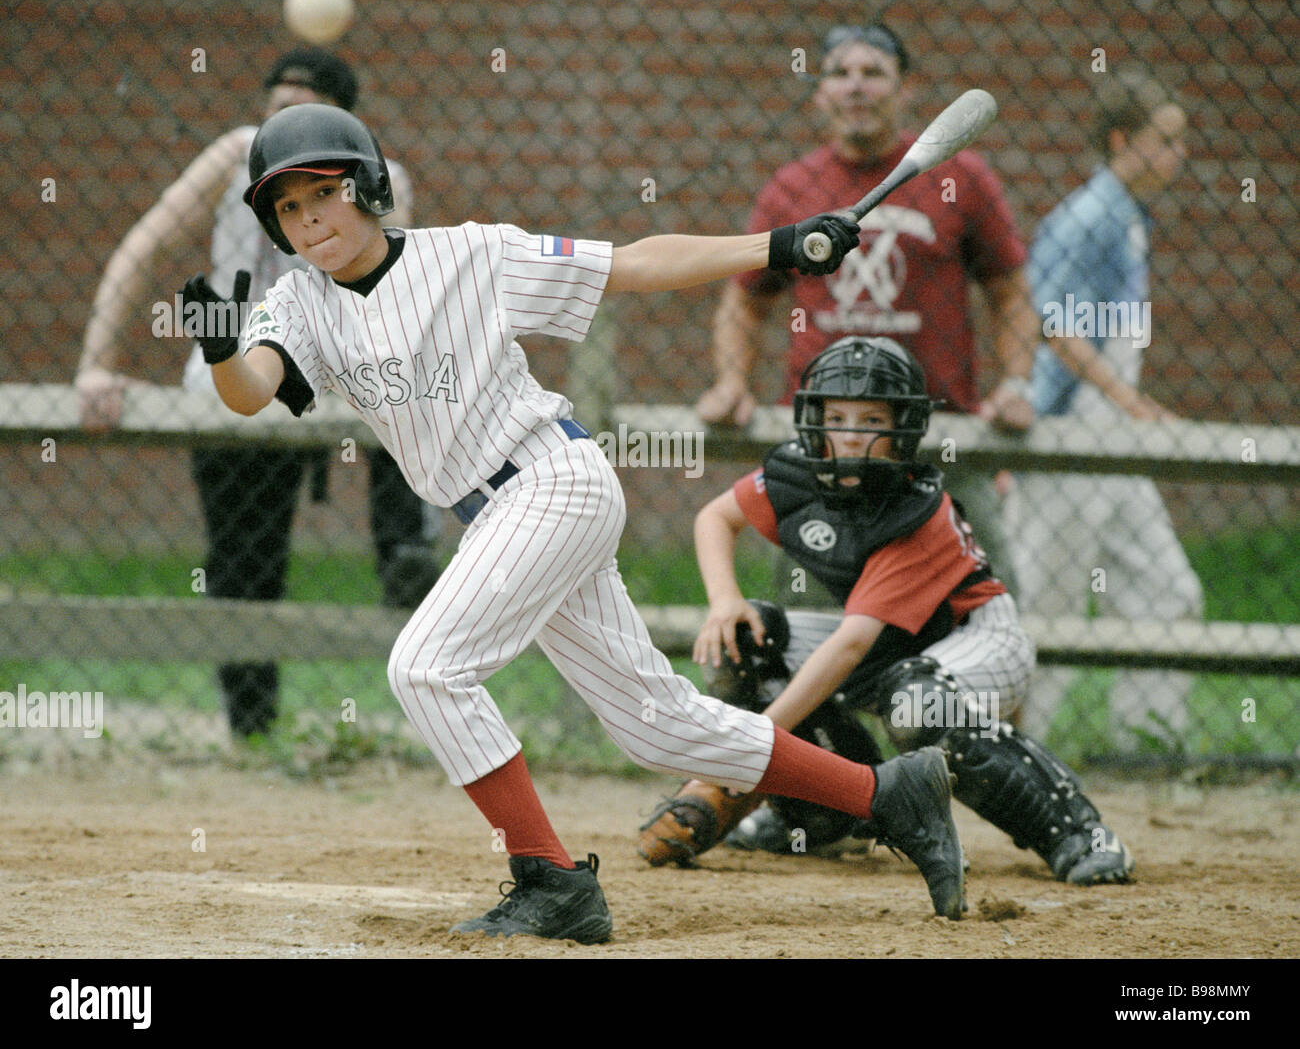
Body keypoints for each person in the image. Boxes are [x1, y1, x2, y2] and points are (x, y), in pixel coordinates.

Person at [179, 101, 972, 942]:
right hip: (497, 518)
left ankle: (548, 877)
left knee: (425, 667)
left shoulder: (472, 254)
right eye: (289, 209)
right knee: (656, 723)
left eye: (324, 195)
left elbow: (630, 264)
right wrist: (221, 347)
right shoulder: (299, 302)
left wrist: (777, 246)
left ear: (369, 187)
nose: (310, 222)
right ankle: (889, 795)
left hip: (552, 483)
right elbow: (251, 390)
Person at [638, 336, 1133, 887]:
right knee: (747, 638)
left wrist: (746, 747)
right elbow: (714, 518)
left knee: (919, 706)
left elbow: (850, 646)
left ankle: (1077, 832)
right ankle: (823, 816)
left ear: (902, 430)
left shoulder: (915, 511)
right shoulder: (800, 474)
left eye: (872, 418)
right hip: (888, 644)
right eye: (837, 415)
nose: (850, 431)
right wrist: (724, 602)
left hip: (977, 637)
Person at [75, 49, 441, 738]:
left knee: (410, 394)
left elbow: (395, 289)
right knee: (245, 563)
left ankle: (405, 554)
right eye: (273, 103)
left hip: (337, 370)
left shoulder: (379, 177)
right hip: (237, 371)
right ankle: (254, 730)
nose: (277, 118)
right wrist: (97, 362)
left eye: (300, 105)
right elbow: (141, 246)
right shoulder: (235, 154)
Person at [696, 22, 1040, 599]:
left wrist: (1017, 384)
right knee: (811, 628)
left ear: (905, 90)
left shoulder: (960, 178)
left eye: (874, 73)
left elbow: (1010, 292)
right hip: (824, 447)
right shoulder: (792, 188)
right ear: (821, 95)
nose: (857, 86)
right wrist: (732, 381)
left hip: (940, 437)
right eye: (840, 73)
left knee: (985, 613)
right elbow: (745, 299)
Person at [1008, 71, 1204, 749]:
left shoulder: (1127, 215)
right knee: (1048, 602)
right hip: (1069, 434)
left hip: (1112, 435)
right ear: (1124, 140)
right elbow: (1052, 322)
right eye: (1167, 139)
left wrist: (1132, 408)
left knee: (1167, 591)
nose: (1181, 154)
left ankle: (1147, 744)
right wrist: (1129, 402)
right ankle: (1009, 752)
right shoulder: (1090, 215)